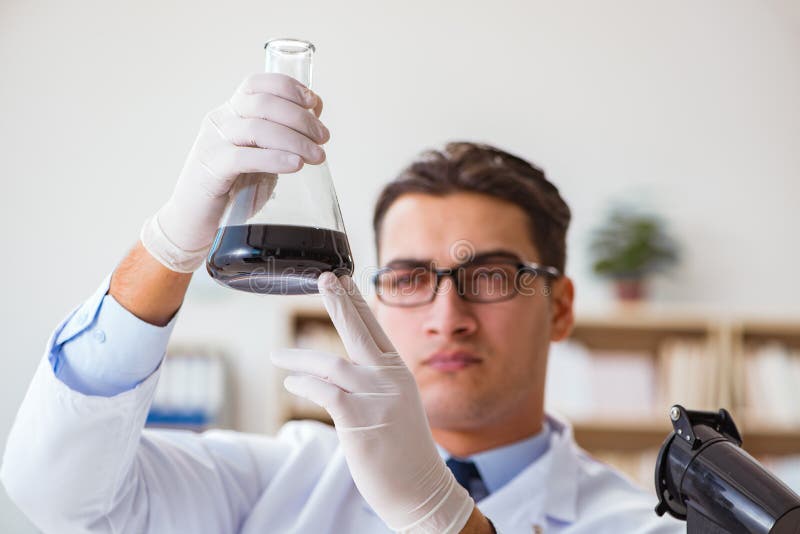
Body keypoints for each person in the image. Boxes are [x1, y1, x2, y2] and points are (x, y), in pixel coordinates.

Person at [1, 73, 683, 533]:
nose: (448, 315)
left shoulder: (633, 520)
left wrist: (444, 516)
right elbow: (57, 493)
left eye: (493, 275)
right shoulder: (281, 478)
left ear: (560, 306)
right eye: (411, 278)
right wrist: (173, 240)